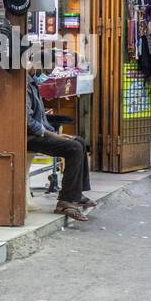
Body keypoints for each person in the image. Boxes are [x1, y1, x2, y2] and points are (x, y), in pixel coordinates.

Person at [25, 64, 94, 222]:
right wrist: (52, 135)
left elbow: (40, 118)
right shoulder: (25, 86)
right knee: (73, 148)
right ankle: (65, 202)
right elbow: (28, 122)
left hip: (39, 133)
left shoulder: (33, 83)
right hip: (28, 137)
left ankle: (76, 194)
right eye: (46, 69)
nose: (47, 73)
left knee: (79, 141)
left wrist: (56, 134)